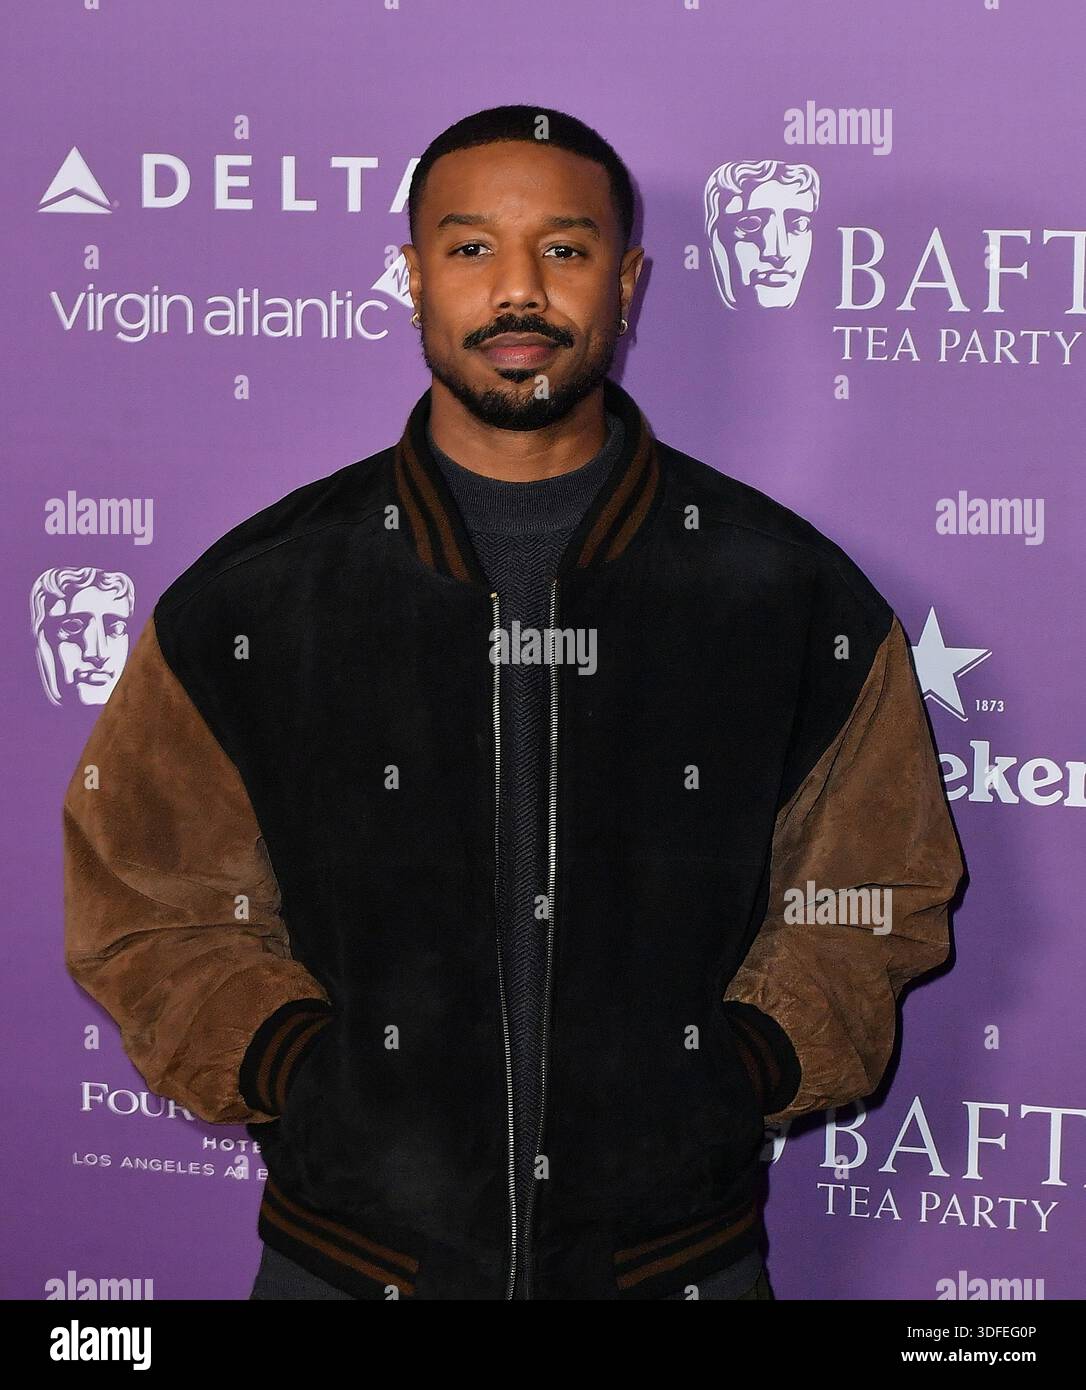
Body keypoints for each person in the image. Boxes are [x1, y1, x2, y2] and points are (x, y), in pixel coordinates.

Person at [63, 105, 964, 1301]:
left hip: (678, 1265)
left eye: (568, 248)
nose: (520, 290)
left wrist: (745, 1063)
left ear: (628, 280)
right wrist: (302, 1069)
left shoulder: (787, 592)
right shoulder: (257, 596)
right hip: (348, 1263)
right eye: (472, 246)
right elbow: (145, 901)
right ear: (412, 275)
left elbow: (879, 889)